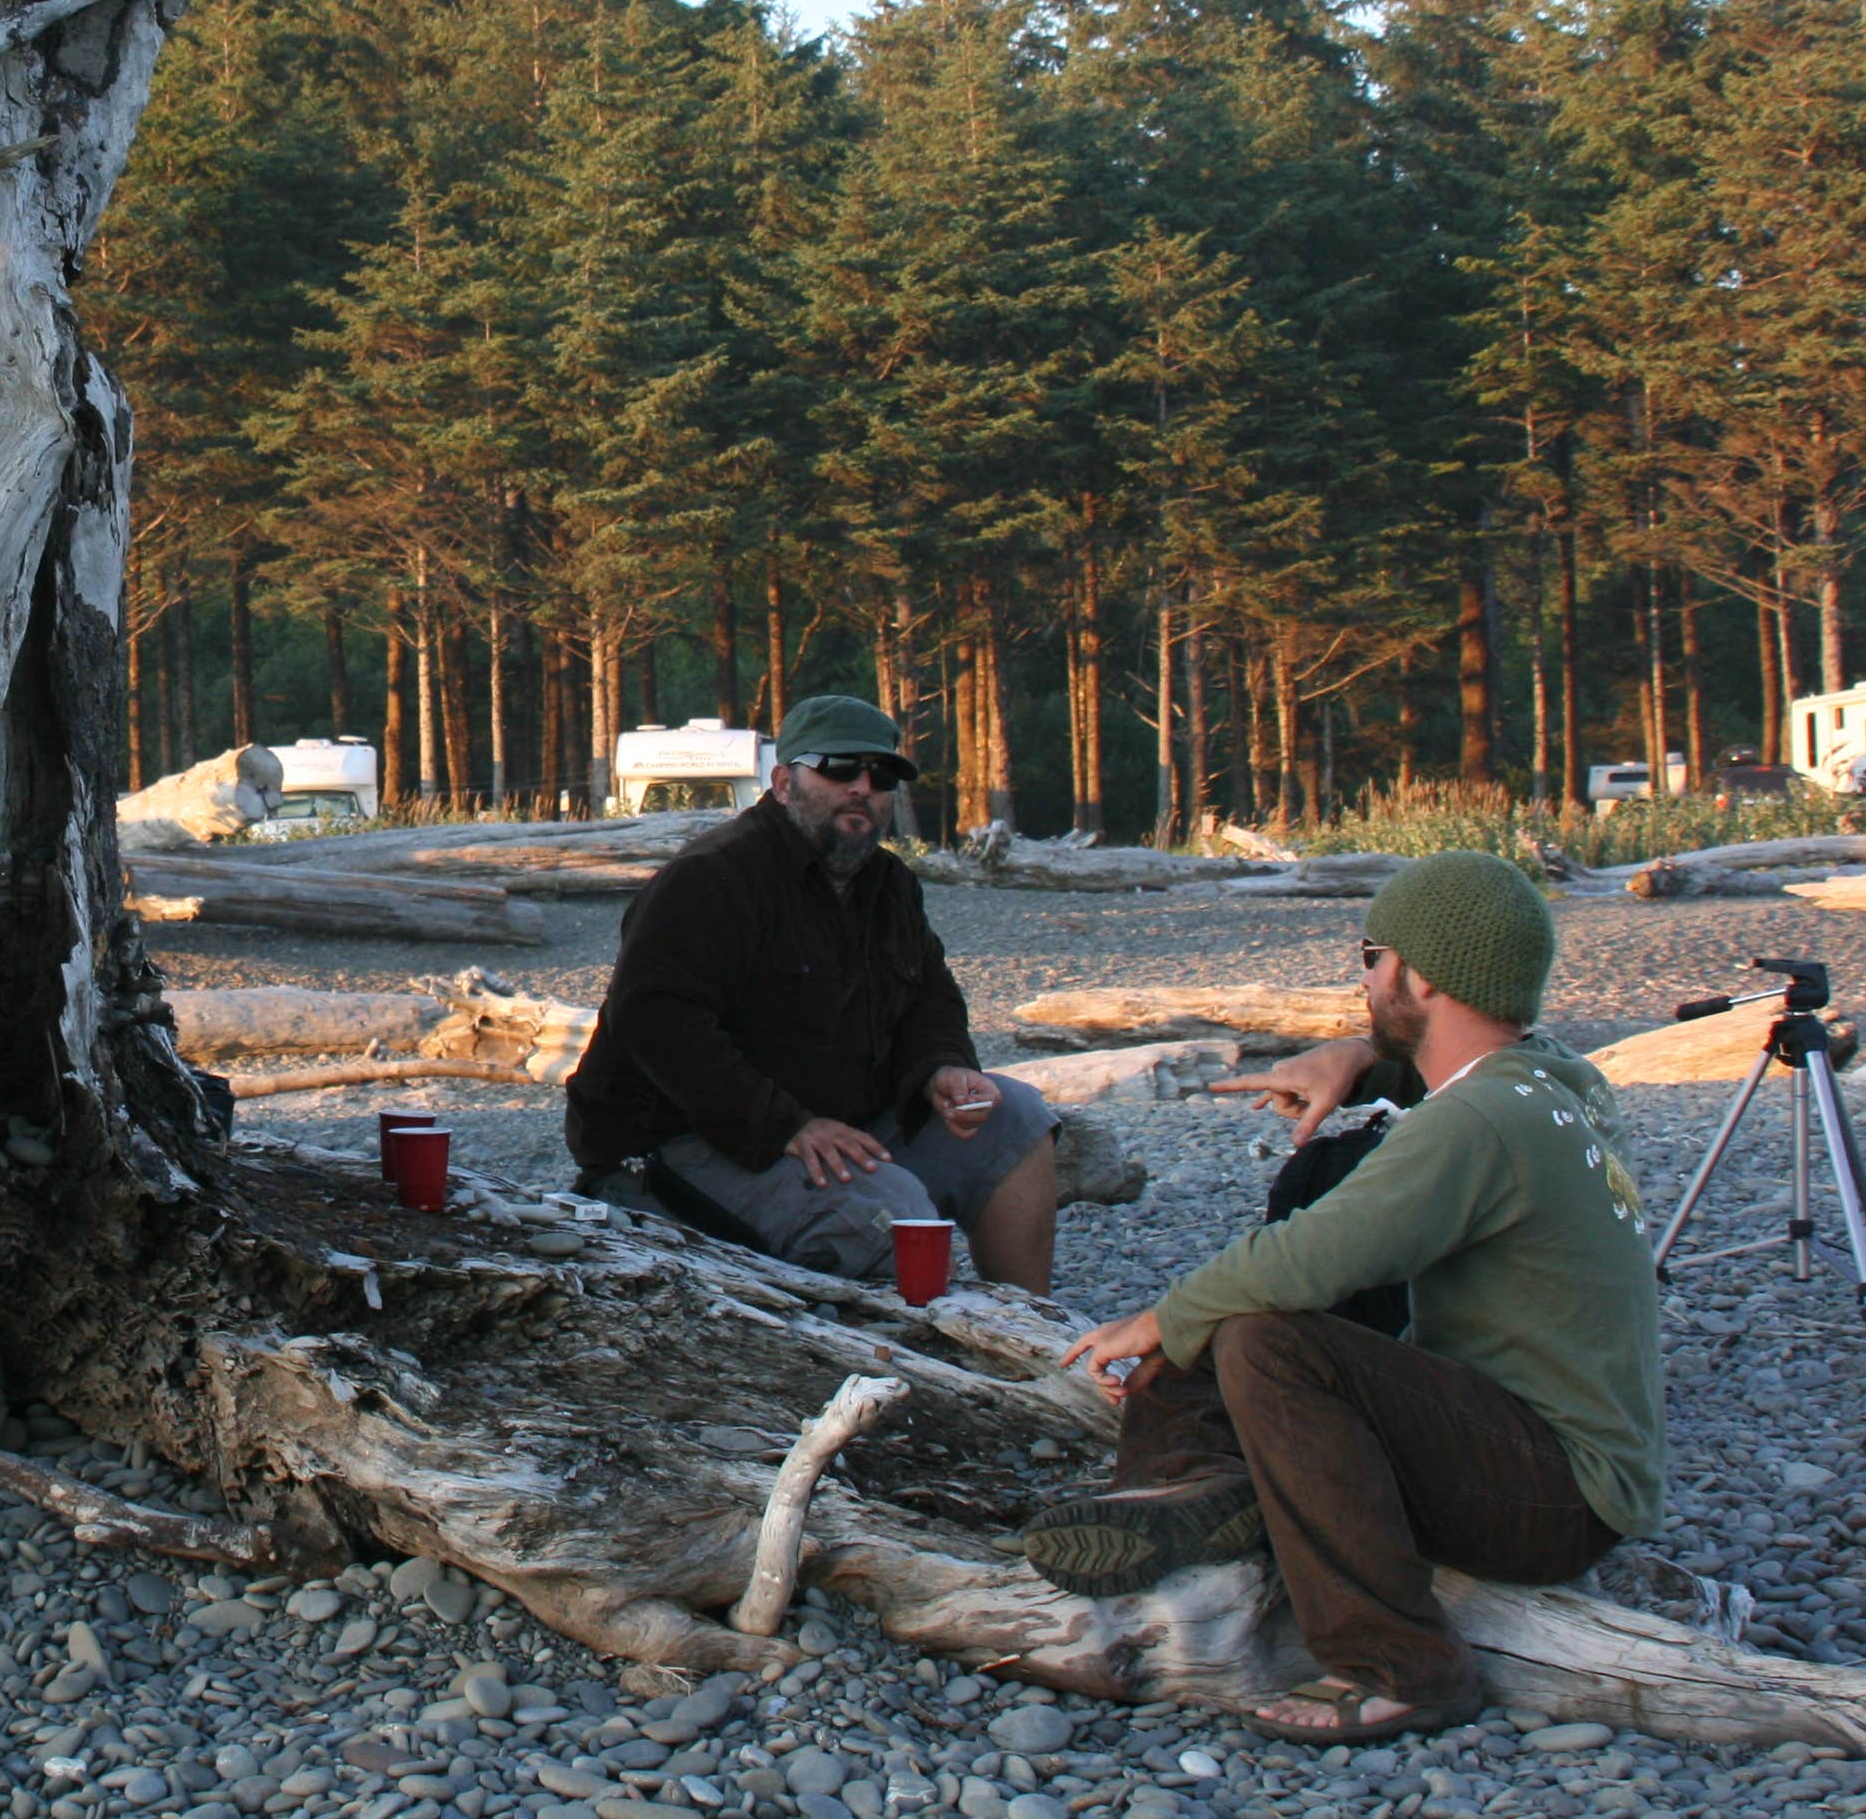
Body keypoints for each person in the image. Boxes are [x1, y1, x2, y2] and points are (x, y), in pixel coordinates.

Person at [1032, 849, 1665, 1749]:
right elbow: (1456, 1072)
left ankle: (1402, 1664)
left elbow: (1312, 1258)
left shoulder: (1478, 1124)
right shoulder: (1555, 1080)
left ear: (1420, 974)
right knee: (1225, 1326)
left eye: (1372, 957)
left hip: (1556, 1501)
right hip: (1558, 1462)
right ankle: (1193, 1497)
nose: (1363, 979)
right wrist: (1364, 1061)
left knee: (1261, 1334)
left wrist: (1160, 1321)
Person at [563, 695, 1059, 1288]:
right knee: (889, 1219)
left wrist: (943, 1068)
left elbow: (931, 997)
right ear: (782, 783)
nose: (862, 788)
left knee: (1018, 1119)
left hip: (830, 1125)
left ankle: (1033, 1326)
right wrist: (787, 1127)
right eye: (839, 769)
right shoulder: (713, 877)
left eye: (882, 775)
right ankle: (923, 1345)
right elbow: (656, 1022)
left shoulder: (889, 884)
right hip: (677, 1145)